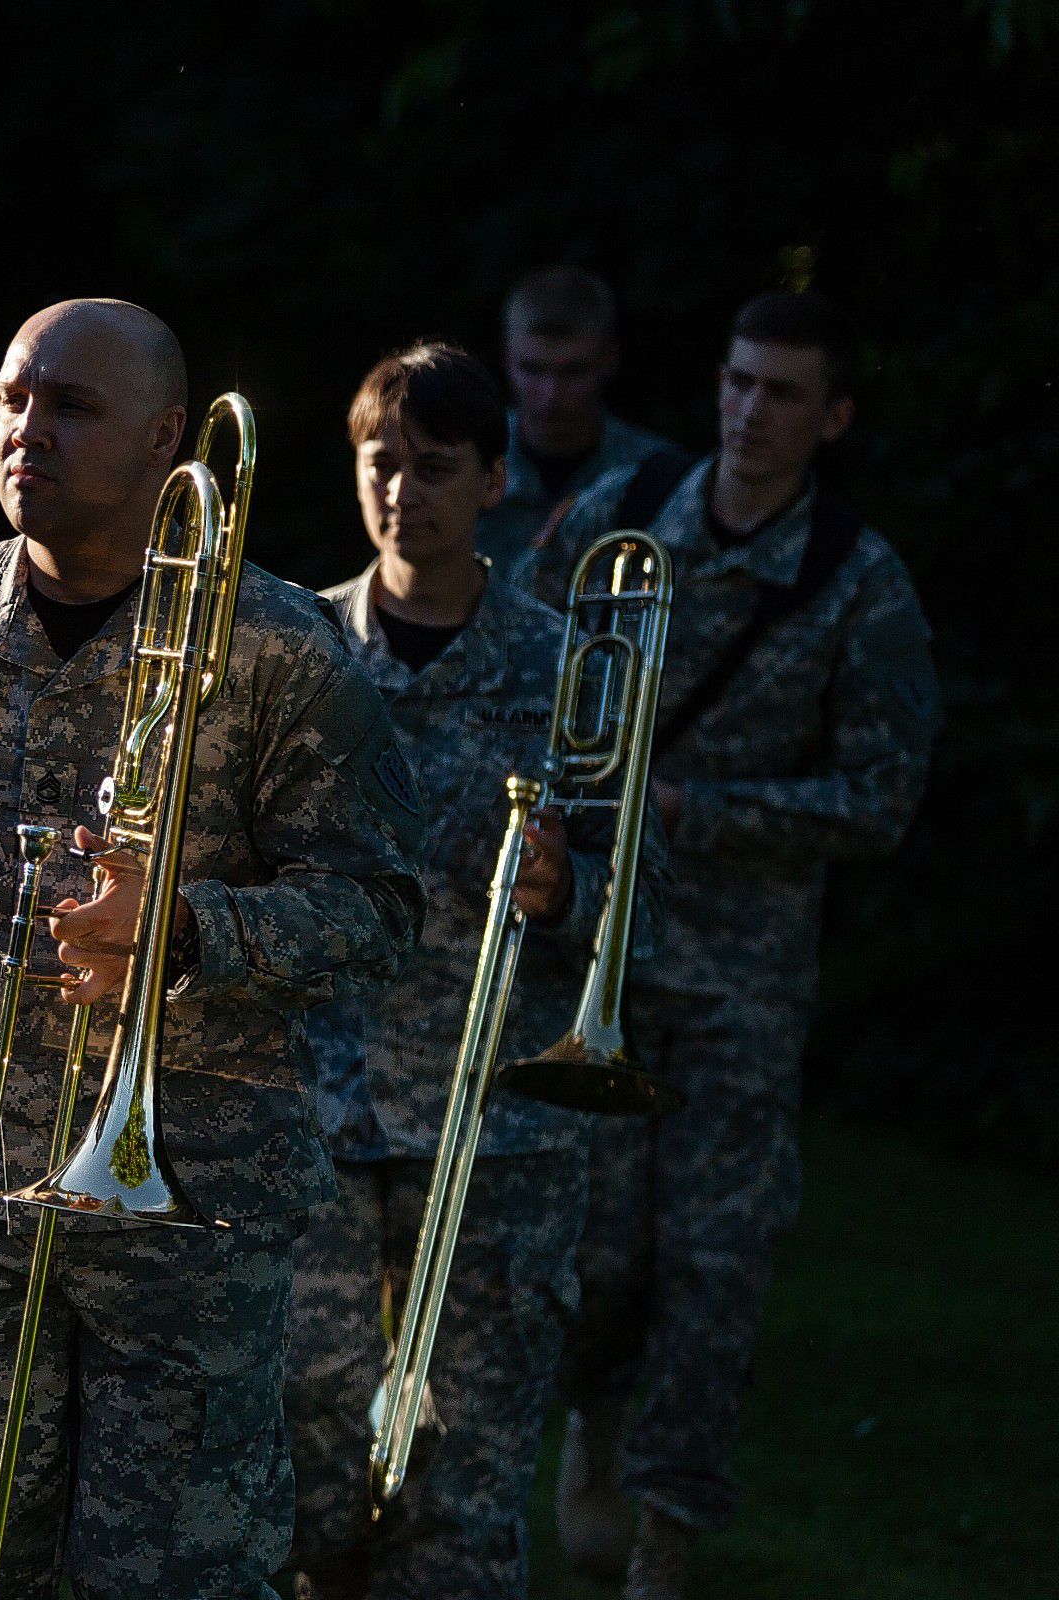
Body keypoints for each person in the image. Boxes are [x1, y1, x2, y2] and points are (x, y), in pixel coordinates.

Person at [0, 297, 424, 1600]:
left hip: (191, 1215)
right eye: (14, 399)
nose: (29, 432)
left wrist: (187, 929)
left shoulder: (282, 650)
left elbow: (382, 915)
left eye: (72, 408)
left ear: (169, 440)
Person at [522, 290, 939, 1600]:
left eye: (785, 393)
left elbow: (878, 800)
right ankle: (589, 1431)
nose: (753, 413)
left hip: (740, 987)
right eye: (739, 383)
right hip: (599, 948)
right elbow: (525, 679)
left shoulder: (858, 584)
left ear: (835, 417)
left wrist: (703, 812)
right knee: (593, 1256)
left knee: (716, 1267)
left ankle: (668, 1538)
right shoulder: (616, 521)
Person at [285, 343, 655, 1600]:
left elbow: (634, 917)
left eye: (435, 468)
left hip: (501, 1134)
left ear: (495, 479)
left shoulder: (571, 670)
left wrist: (566, 895)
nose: (401, 492)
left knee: (463, 1505)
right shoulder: (297, 651)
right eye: (380, 463)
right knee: (303, 1482)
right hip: (320, 1121)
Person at [476, 266, 676, 575]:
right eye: (532, 369)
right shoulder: (466, 465)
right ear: (506, 356)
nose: (551, 393)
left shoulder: (656, 479)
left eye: (573, 372)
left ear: (608, 358)